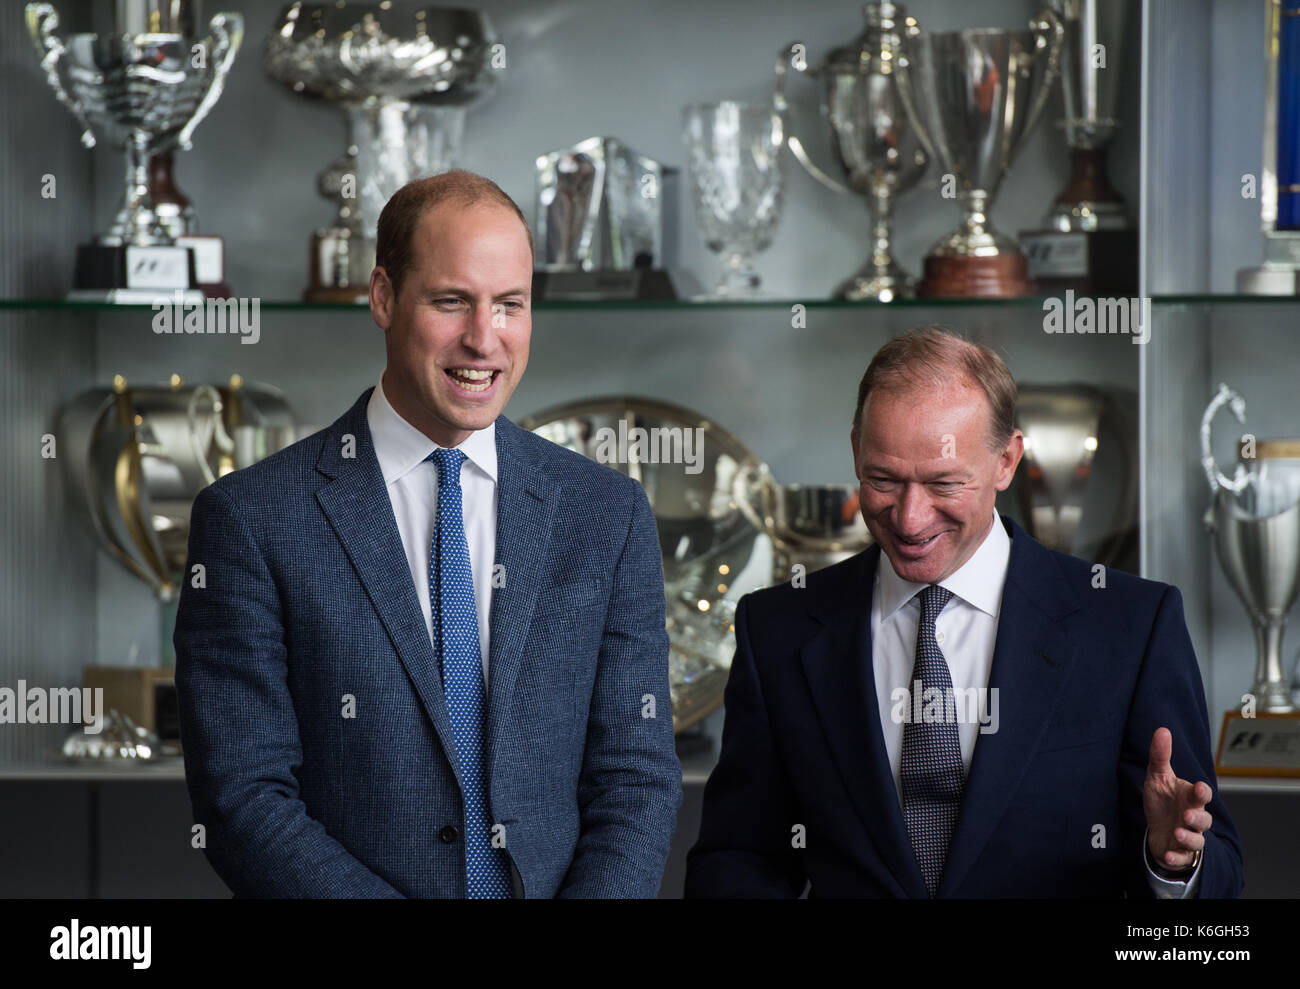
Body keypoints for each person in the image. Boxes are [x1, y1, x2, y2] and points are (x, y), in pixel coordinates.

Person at [175, 170, 681, 898]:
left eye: (510, 304)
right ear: (383, 297)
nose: (484, 339)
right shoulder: (253, 519)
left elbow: (635, 777)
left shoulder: (605, 512)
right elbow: (243, 797)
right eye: (452, 301)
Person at [684, 326, 1244, 898]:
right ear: (855, 449)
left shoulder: (1131, 626)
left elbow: (1216, 869)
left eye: (943, 483)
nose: (908, 518)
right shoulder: (777, 629)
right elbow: (738, 857)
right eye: (883, 480)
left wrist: (1171, 862)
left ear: (1007, 462)